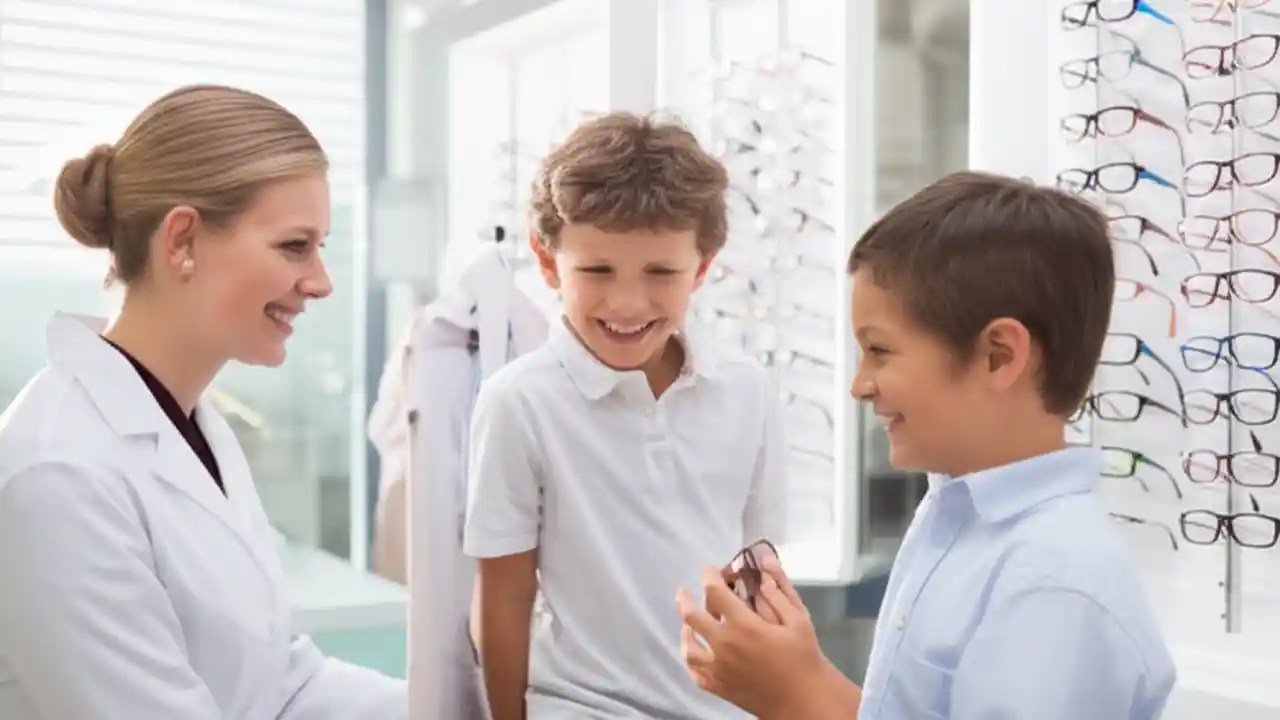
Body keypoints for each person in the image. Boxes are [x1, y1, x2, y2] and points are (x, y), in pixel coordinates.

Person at [678, 171, 1177, 719]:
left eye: (881, 351)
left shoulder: (1054, 584)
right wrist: (793, 670)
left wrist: (796, 695)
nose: (859, 385)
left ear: (998, 356)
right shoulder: (956, 519)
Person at [0, 84, 406, 719]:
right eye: (294, 246)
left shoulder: (189, 426)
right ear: (182, 240)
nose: (321, 282)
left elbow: (276, 683)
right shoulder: (59, 474)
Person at [462, 111, 788, 719]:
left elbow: (761, 576)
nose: (627, 303)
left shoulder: (747, 390)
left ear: (704, 266)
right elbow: (503, 595)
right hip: (585, 706)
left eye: (661, 273)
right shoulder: (519, 403)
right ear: (548, 261)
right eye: (597, 271)